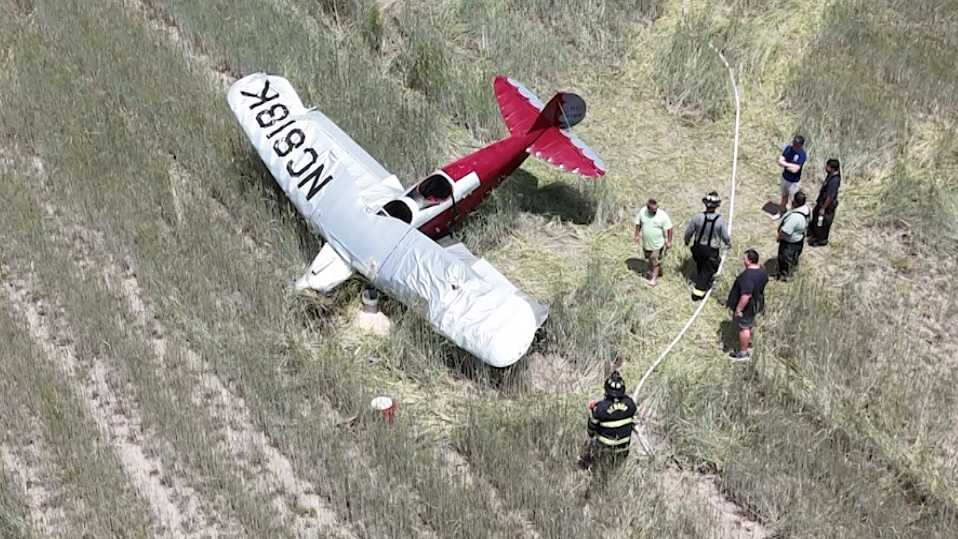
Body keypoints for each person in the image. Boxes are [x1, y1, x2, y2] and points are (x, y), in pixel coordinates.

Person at [579, 371, 636, 470]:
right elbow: (620, 406)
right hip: (623, 451)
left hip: (605, 451)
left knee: (589, 442)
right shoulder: (631, 405)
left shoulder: (600, 409)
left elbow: (590, 430)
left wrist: (593, 409)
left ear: (606, 390)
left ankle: (584, 467)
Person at [684, 191, 731, 301]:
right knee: (708, 270)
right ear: (716, 206)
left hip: (698, 248)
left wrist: (686, 241)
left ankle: (701, 278)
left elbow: (689, 231)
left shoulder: (697, 217)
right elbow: (725, 236)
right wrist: (728, 243)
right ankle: (698, 293)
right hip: (711, 251)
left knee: (701, 264)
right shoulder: (720, 221)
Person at [726, 249, 768, 361]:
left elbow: (746, 295)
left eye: (744, 259)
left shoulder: (747, 276)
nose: (743, 261)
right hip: (757, 302)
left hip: (747, 307)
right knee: (748, 325)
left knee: (744, 328)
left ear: (749, 260)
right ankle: (747, 343)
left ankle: (743, 354)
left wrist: (739, 309)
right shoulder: (762, 272)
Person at [633, 199, 673, 287]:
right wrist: (636, 235)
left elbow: (670, 228)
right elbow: (638, 223)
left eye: (656, 209)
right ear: (648, 208)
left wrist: (669, 241)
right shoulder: (642, 212)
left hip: (658, 244)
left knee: (654, 259)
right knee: (649, 258)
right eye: (653, 209)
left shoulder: (662, 215)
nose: (655, 211)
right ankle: (657, 271)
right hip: (646, 243)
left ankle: (653, 279)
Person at [775, 190, 810, 279]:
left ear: (795, 202)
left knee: (785, 259)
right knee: (794, 256)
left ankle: (784, 275)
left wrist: (779, 237)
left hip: (789, 243)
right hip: (799, 240)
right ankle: (792, 268)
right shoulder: (806, 209)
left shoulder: (794, 218)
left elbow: (785, 231)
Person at [809, 159, 842, 246]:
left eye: (827, 166)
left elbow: (830, 197)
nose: (825, 168)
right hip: (822, 202)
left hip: (827, 206)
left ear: (832, 168)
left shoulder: (834, 181)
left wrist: (823, 208)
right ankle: (813, 234)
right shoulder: (831, 175)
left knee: (822, 223)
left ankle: (821, 240)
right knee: (816, 217)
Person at [775, 135, 807, 216]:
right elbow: (780, 161)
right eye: (794, 143)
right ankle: (781, 212)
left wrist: (785, 164)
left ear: (800, 145)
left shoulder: (802, 154)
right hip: (785, 177)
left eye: (796, 144)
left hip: (794, 182)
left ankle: (792, 216)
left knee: (794, 200)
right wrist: (790, 165)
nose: (794, 145)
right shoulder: (789, 149)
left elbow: (795, 170)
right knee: (784, 197)